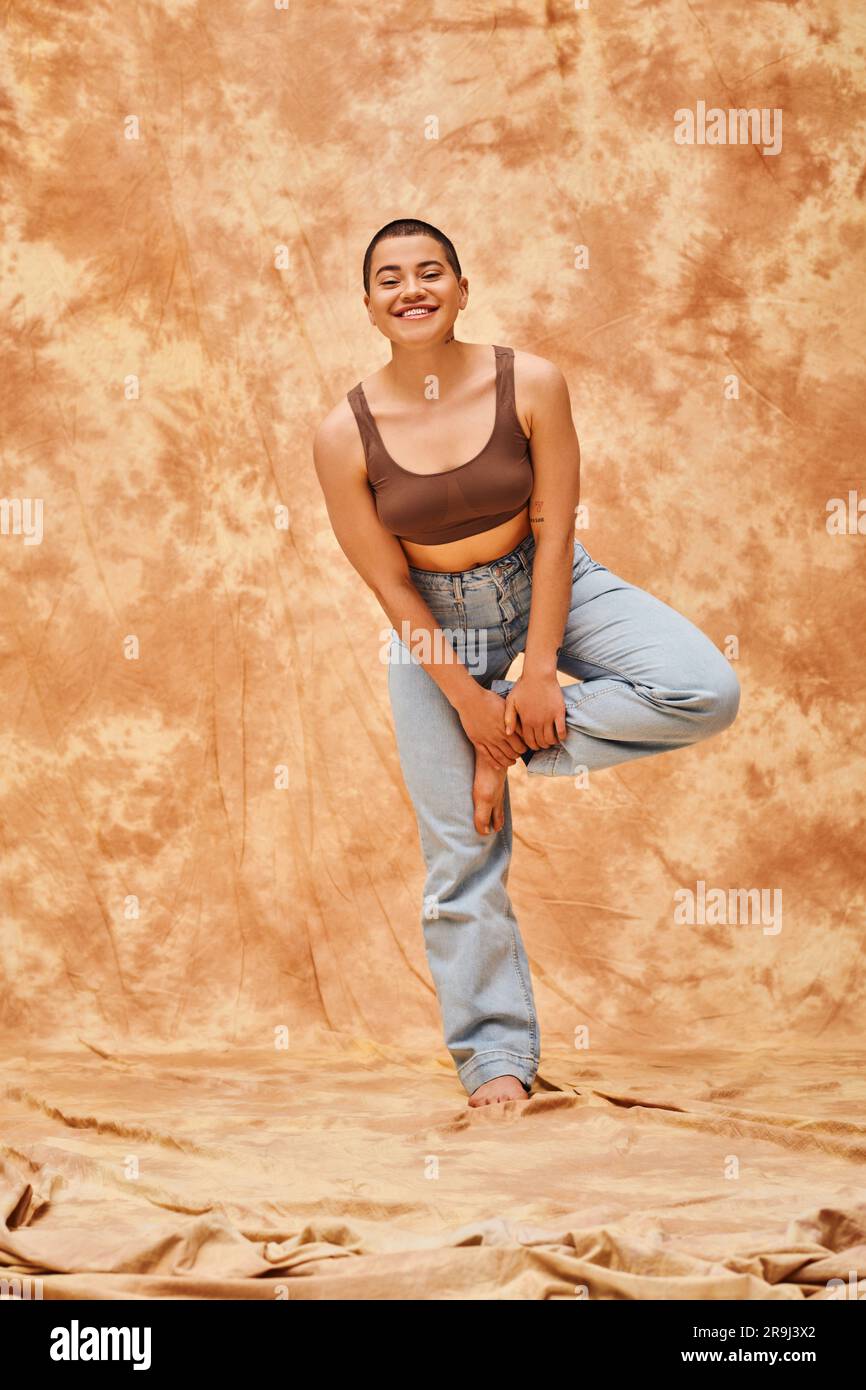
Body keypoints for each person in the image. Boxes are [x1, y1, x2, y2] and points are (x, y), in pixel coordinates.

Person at [312, 218, 740, 1107]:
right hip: (437, 625)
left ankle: (505, 736)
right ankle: (496, 1064)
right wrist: (468, 704)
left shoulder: (532, 383)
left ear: (463, 289)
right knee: (460, 853)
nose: (412, 289)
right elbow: (390, 587)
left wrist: (535, 678)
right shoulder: (343, 434)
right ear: (367, 307)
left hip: (552, 583)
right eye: (389, 279)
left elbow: (554, 531)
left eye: (431, 272)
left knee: (703, 688)